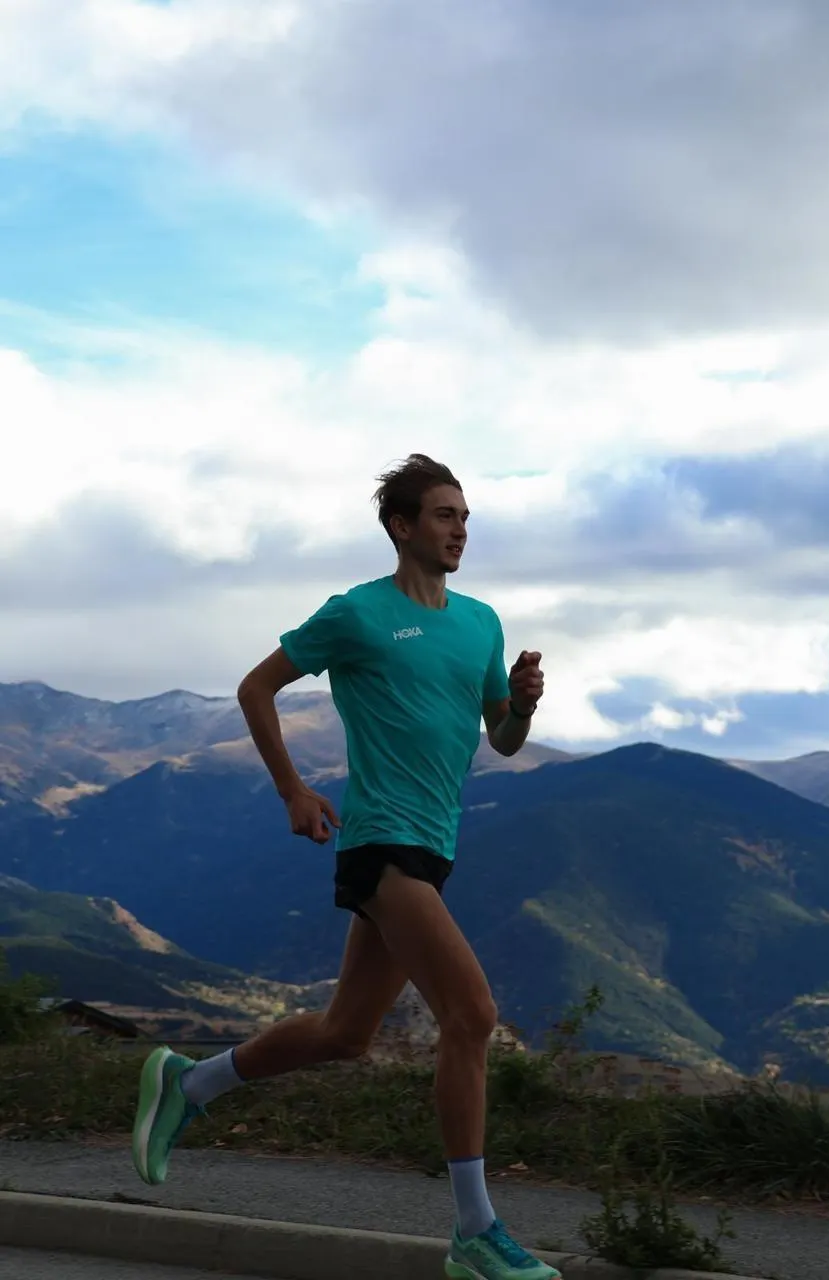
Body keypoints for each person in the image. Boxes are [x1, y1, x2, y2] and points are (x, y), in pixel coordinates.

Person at [131, 454, 556, 1280]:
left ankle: (189, 1085)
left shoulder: (480, 623)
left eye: (464, 516)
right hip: (379, 843)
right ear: (401, 527)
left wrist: (525, 701)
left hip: (433, 849)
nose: (459, 529)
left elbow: (501, 740)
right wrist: (293, 788)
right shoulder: (356, 615)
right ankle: (474, 1231)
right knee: (470, 1014)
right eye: (442, 515)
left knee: (345, 1034)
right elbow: (257, 687)